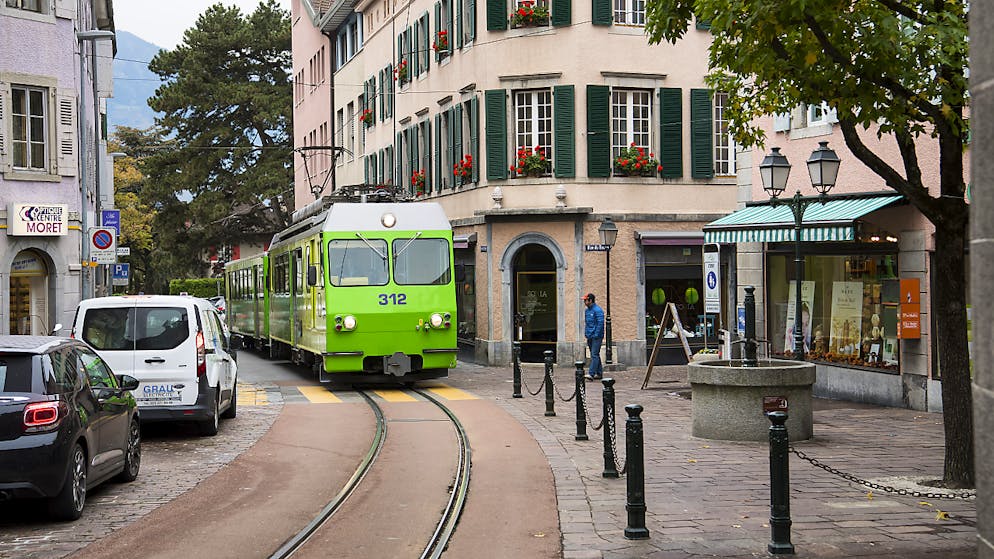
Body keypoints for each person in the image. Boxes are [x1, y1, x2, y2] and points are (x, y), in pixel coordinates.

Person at [583, 293, 605, 380]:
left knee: (594, 355)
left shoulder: (597, 310)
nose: (584, 302)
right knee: (595, 354)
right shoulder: (587, 311)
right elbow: (587, 324)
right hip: (590, 335)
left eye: (586, 300)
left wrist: (596, 334)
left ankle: (591, 373)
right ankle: (599, 373)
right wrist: (587, 333)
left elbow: (600, 323)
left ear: (590, 300)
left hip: (596, 336)